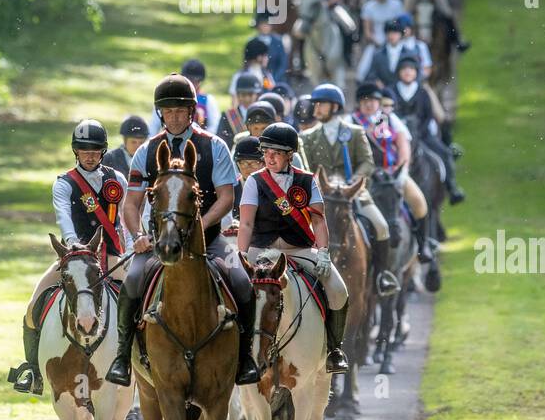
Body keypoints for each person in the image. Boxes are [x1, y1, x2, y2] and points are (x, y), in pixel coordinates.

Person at [106, 74, 260, 387]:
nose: (175, 117)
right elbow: (131, 205)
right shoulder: (146, 151)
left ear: (191, 111)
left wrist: (197, 230)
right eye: (169, 111)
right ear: (160, 113)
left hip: (210, 239)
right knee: (132, 282)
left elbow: (226, 198)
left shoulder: (214, 146)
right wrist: (137, 237)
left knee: (243, 283)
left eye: (181, 110)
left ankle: (245, 359)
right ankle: (123, 357)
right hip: (158, 241)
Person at [8, 119, 126, 396]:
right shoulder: (64, 184)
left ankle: (142, 360)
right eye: (84, 149)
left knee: (142, 299)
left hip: (112, 256)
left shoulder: (117, 180)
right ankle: (34, 369)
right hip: (75, 257)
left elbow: (123, 223)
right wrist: (75, 247)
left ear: (103, 151)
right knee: (33, 305)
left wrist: (129, 250)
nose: (89, 155)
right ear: (75, 151)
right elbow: (64, 219)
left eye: (95, 150)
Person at [235, 122, 349, 373]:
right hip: (260, 251)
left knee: (339, 291)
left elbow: (318, 220)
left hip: (298, 249)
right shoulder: (255, 181)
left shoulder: (307, 181)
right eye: (265, 152)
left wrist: (324, 252)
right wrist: (242, 255)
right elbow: (246, 223)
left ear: (290, 155)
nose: (269, 157)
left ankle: (334, 349)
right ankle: (238, 350)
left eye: (276, 152)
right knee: (233, 287)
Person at [296, 83, 394, 285]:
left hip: (353, 193)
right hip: (321, 195)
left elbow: (367, 162)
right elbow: (306, 168)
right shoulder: (306, 137)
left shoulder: (355, 132)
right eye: (315, 105)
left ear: (334, 106)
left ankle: (381, 277)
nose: (316, 109)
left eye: (320, 105)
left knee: (381, 226)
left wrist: (353, 182)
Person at [352, 83, 432, 260]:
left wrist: (401, 168)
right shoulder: (351, 122)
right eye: (365, 100)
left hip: (393, 173)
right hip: (366, 177)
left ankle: (423, 244)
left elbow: (403, 144)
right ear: (359, 103)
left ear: (379, 102)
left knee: (419, 201)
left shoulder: (389, 119)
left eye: (373, 100)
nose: (369, 104)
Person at [392, 58, 465, 204]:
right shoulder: (391, 90)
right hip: (398, 137)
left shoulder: (422, 92)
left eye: (411, 69)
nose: (407, 72)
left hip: (422, 135)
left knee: (444, 153)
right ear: (399, 72)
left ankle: (452, 187)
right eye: (404, 69)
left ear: (415, 72)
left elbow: (428, 115)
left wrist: (418, 132)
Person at [357, 0, 404, 81]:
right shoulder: (368, 6)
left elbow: (401, 25)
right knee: (361, 71)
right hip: (376, 42)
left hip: (395, 40)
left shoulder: (396, 4)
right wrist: (377, 42)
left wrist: (394, 39)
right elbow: (367, 31)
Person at [217, 70, 262, 146]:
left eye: (250, 94)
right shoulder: (228, 116)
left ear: (257, 95)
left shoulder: (262, 114)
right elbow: (221, 141)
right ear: (237, 95)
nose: (247, 99)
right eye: (243, 95)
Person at [252, 11, 288, 84]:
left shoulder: (278, 41)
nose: (265, 27)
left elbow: (283, 63)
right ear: (258, 26)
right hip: (256, 81)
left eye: (267, 24)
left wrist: (274, 79)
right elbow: (249, 64)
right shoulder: (253, 42)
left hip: (276, 80)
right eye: (263, 24)